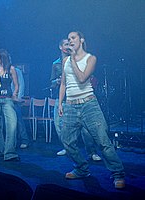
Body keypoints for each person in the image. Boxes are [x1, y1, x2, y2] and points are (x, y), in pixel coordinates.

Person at [58, 31, 125, 189]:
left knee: (103, 141)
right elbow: (63, 83)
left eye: (73, 38)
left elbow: (82, 78)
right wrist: (61, 103)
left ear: (81, 40)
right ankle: (81, 169)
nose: (70, 41)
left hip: (89, 105)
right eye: (68, 39)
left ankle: (118, 173)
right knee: (67, 141)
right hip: (71, 105)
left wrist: (73, 58)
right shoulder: (65, 61)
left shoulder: (91, 58)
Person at [50, 38, 102, 161]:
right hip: (62, 98)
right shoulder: (56, 63)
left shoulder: (77, 59)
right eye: (66, 44)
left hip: (78, 97)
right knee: (59, 125)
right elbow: (51, 82)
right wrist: (56, 82)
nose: (68, 46)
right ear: (60, 47)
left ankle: (92, 152)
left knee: (86, 128)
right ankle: (67, 148)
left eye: (70, 44)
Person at [11, 66, 30, 149]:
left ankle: (24, 140)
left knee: (19, 120)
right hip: (6, 99)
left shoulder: (16, 70)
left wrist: (19, 98)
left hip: (15, 100)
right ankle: (12, 141)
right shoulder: (1, 70)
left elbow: (21, 84)